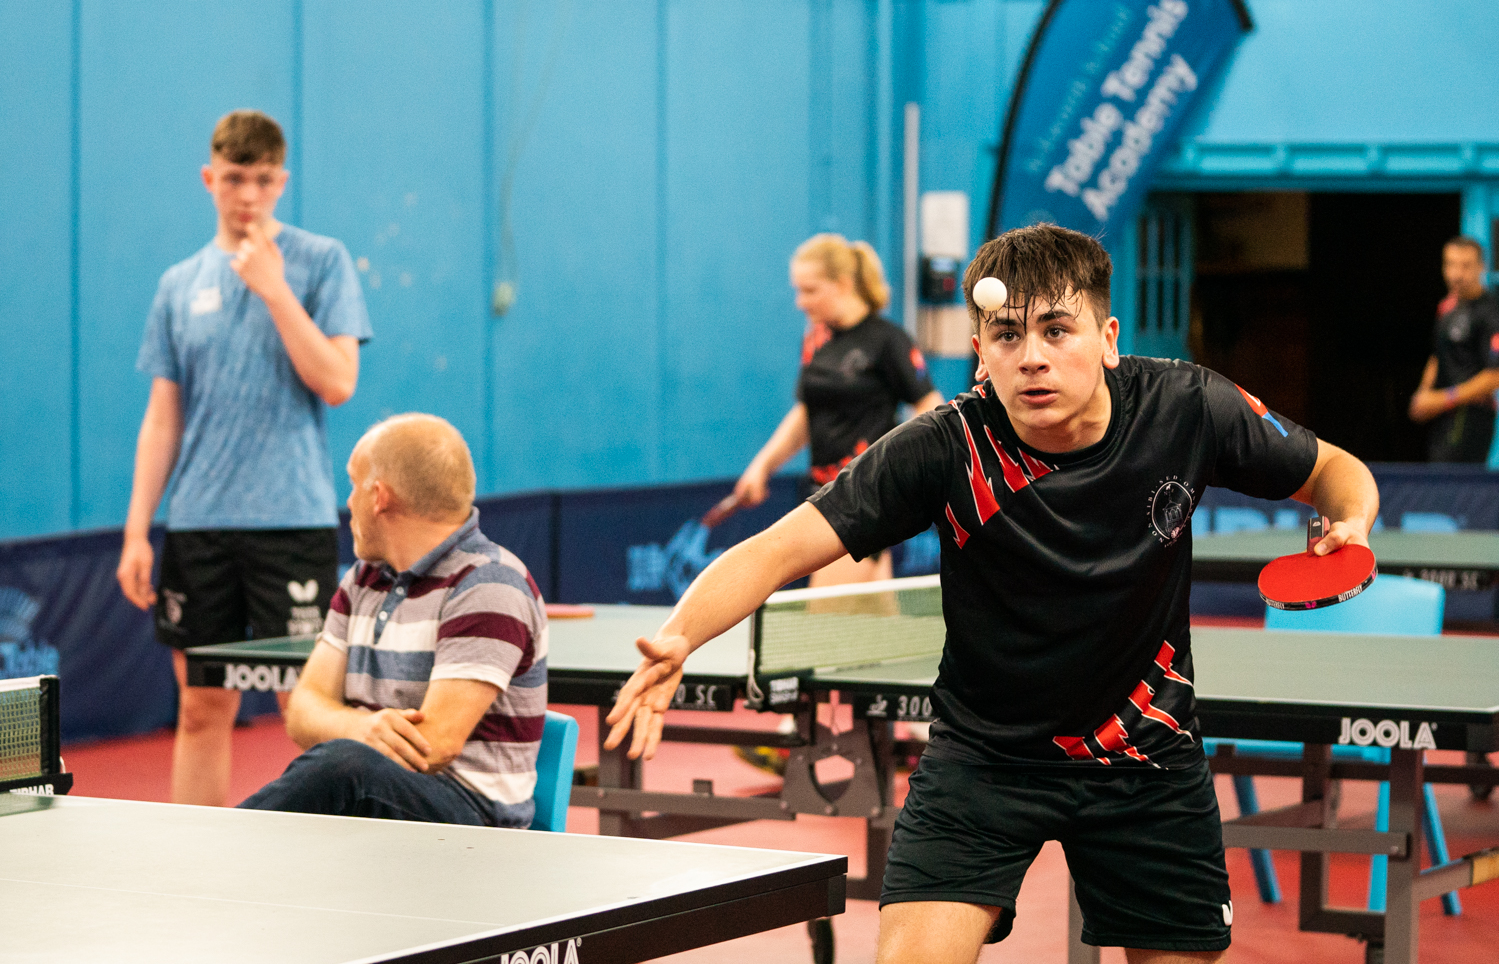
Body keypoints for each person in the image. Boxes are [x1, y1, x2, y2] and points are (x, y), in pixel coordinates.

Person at [606, 224, 1379, 963]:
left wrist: (1351, 520)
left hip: (1145, 754)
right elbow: (777, 549)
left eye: (1055, 329)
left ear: (1107, 339)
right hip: (983, 761)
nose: (1032, 357)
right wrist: (681, 634)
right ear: (980, 355)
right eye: (1008, 336)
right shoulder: (947, 445)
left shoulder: (1184, 408)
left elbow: (1333, 470)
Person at [116, 110, 373, 806]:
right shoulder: (177, 284)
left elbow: (338, 381)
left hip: (291, 524)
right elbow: (162, 416)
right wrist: (138, 529)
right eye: (234, 178)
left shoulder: (321, 262)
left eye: (263, 179)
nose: (249, 194)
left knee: (311, 711)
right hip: (199, 527)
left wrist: (274, 287)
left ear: (281, 181)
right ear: (209, 179)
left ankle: (334, 858)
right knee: (201, 706)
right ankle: (195, 864)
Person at [240, 414, 547, 827]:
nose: (348, 502)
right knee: (346, 765)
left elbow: (432, 746)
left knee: (345, 767)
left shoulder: (489, 584)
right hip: (381, 802)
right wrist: (362, 727)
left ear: (378, 496)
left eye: (353, 485)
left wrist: (348, 736)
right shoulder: (363, 579)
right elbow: (301, 711)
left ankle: (218, 849)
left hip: (475, 822)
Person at [730, 233, 945, 586]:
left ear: (843, 284)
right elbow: (806, 414)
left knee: (827, 625)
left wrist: (907, 473)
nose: (800, 302)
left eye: (810, 290)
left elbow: (930, 408)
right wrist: (762, 466)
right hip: (822, 491)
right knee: (870, 624)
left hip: (864, 495)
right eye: (798, 290)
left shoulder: (888, 341)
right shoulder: (816, 338)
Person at [1408, 235, 1499, 463]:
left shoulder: (1491, 312)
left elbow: (1494, 375)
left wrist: (1443, 399)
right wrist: (1423, 394)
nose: (1457, 274)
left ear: (1481, 267)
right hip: (1441, 418)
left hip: (1470, 417)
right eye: (1451, 264)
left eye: (1466, 266)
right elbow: (1437, 355)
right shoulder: (1447, 307)